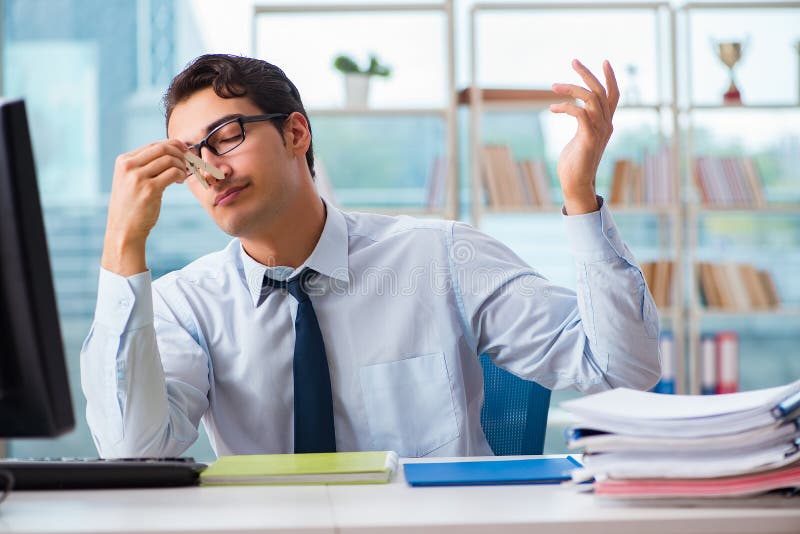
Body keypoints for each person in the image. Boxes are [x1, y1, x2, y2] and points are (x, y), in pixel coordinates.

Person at [81, 54, 660, 459]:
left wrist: (579, 196)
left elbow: (621, 368)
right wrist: (122, 246)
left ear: (296, 134)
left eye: (227, 135)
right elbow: (134, 447)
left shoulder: (441, 258)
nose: (212, 170)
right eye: (190, 157)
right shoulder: (188, 306)